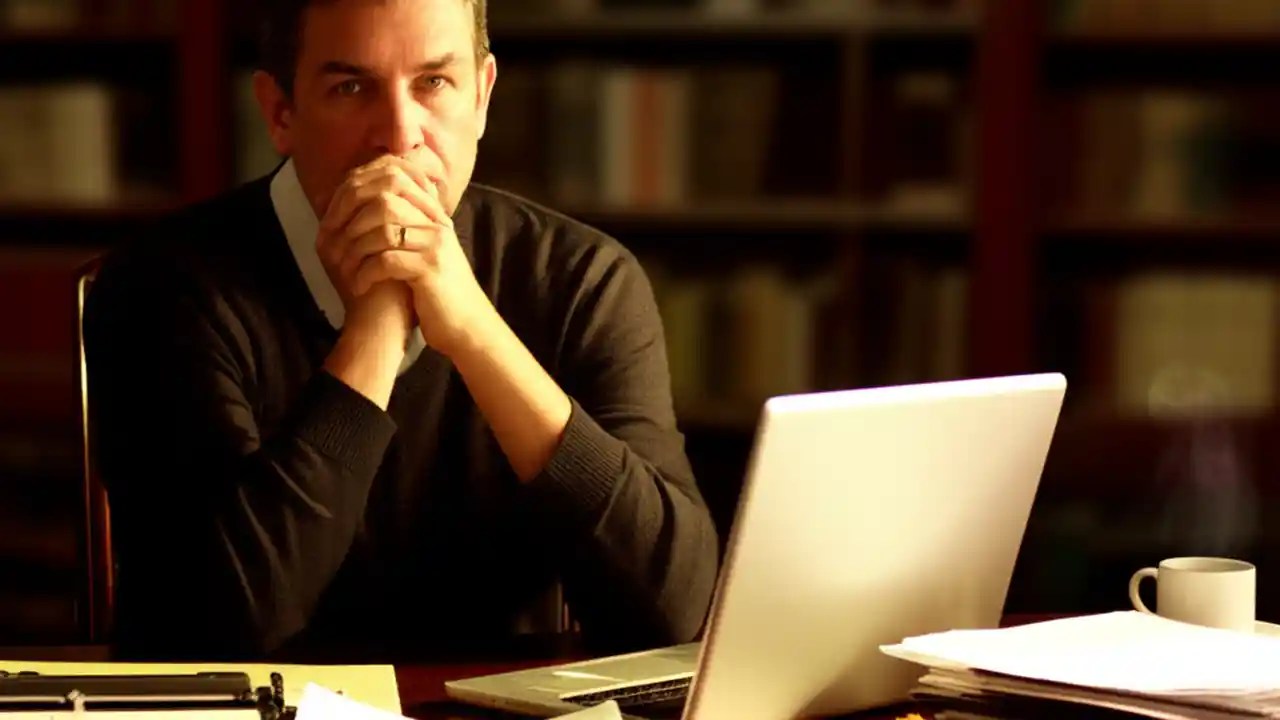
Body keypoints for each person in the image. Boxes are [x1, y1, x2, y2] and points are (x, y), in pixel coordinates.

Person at [83, 0, 719, 661]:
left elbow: (672, 614)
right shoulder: (159, 288)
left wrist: (474, 330)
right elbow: (214, 634)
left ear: (482, 97)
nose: (399, 135)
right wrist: (378, 324)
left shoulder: (584, 280)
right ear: (280, 113)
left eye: (434, 83)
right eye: (351, 87)